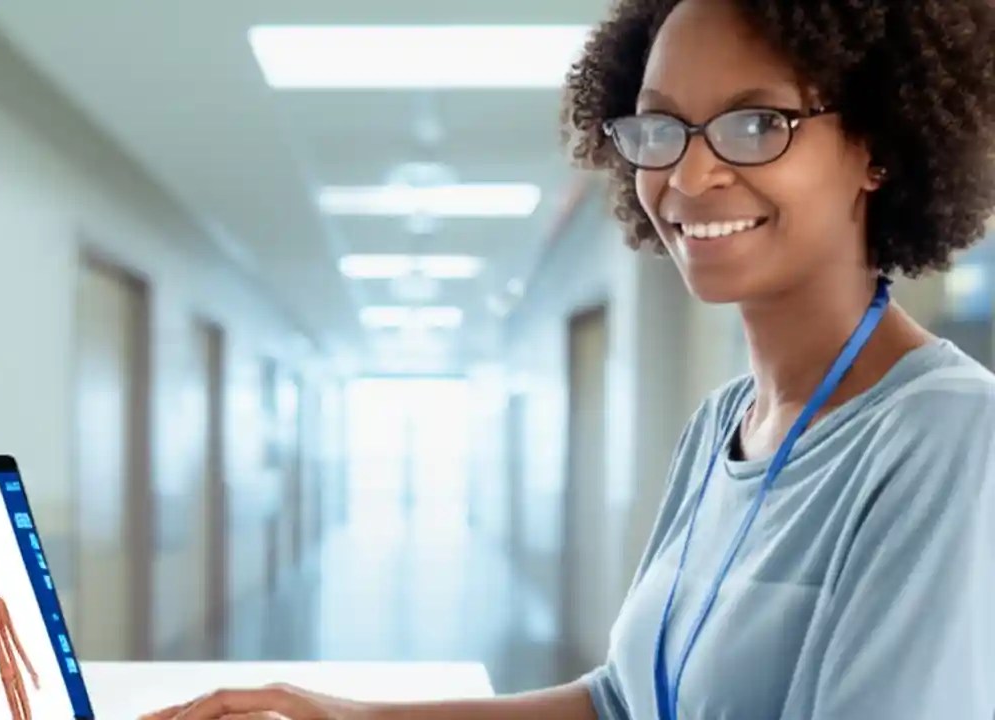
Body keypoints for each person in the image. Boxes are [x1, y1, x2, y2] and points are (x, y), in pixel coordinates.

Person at [140, 0, 995, 717]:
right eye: (662, 126)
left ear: (880, 145)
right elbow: (620, 701)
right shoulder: (719, 427)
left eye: (756, 123)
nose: (690, 177)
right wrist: (348, 714)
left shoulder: (949, 435)